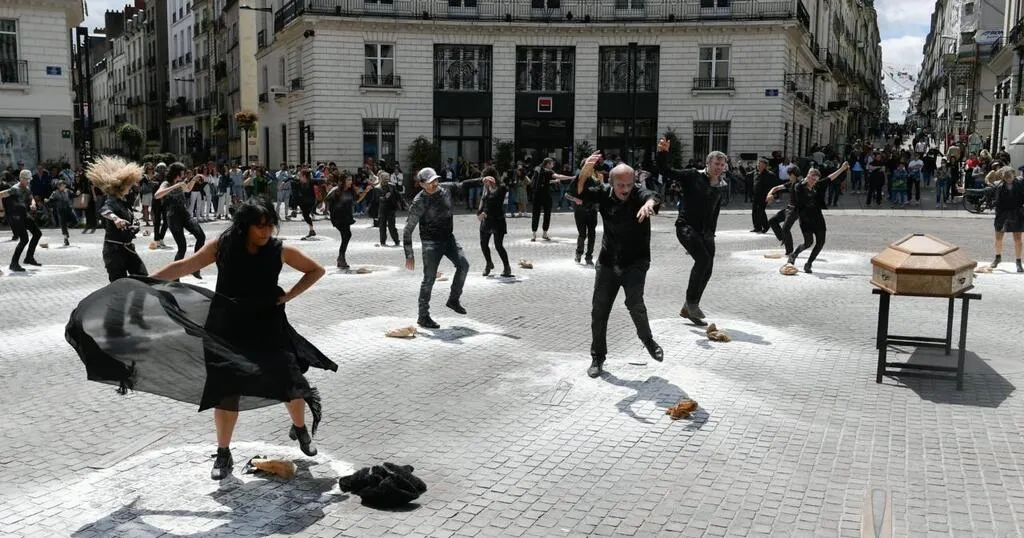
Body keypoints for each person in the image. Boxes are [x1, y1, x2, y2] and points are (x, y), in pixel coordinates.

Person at [573, 152, 662, 378]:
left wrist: (649, 204)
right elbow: (577, 192)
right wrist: (584, 172)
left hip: (636, 261)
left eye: (629, 184)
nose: (625, 189)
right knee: (599, 310)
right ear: (611, 183)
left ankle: (647, 340)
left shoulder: (638, 194)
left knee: (634, 302)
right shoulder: (603, 194)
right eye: (621, 185)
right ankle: (597, 357)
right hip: (608, 261)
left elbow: (652, 195)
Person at [653, 138, 729, 326]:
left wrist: (711, 234)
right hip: (686, 226)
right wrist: (663, 153)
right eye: (715, 164)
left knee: (708, 268)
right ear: (708, 164)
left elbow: (715, 212)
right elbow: (666, 171)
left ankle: (689, 308)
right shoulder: (692, 175)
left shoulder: (722, 185)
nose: (719, 167)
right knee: (703, 260)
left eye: (722, 164)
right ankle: (692, 303)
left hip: (706, 232)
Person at [402, 167, 472, 329]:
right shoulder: (419, 201)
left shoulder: (445, 189)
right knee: (429, 279)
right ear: (421, 184)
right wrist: (409, 254)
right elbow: (408, 228)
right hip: (431, 244)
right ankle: (423, 316)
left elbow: (462, 185)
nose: (434, 184)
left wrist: (481, 181)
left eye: (435, 180)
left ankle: (453, 299)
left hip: (449, 239)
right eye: (430, 182)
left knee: (464, 265)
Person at [775, 163, 850, 273]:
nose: (813, 181)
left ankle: (809, 263)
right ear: (807, 177)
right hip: (805, 219)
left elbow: (830, 177)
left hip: (818, 218)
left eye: (815, 179)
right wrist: (807, 177)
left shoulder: (817, 185)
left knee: (821, 242)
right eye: (811, 178)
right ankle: (794, 255)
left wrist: (842, 169)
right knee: (808, 243)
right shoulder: (799, 187)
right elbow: (800, 186)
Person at [155, 163, 206, 279]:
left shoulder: (181, 182)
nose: (183, 174)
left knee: (201, 236)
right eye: (182, 172)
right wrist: (174, 186)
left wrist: (194, 179)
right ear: (176, 173)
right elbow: (157, 195)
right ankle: (174, 277)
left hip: (184, 214)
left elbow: (187, 189)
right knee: (182, 247)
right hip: (173, 217)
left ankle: (195, 267)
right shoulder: (166, 183)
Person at [473, 170, 513, 277]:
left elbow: (496, 204)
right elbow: (483, 200)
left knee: (498, 245)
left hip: (497, 220)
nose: (484, 182)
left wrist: (485, 213)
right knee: (483, 243)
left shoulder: (502, 188)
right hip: (486, 221)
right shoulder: (486, 188)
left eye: (485, 179)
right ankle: (489, 263)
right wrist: (479, 212)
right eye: (483, 180)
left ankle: (507, 267)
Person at [0, 169, 42, 271]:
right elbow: (0, 194)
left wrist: (33, 203)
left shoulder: (26, 188)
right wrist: (1, 209)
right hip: (14, 216)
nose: (27, 181)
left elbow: (30, 196)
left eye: (29, 179)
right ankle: (13, 263)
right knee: (24, 239)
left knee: (37, 233)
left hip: (23, 214)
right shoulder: (15, 189)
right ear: (21, 179)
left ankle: (29, 257)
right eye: (25, 179)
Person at [530, 158, 576, 241]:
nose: (553, 165)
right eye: (552, 164)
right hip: (545, 195)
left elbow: (543, 181)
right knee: (547, 214)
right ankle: (544, 233)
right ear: (547, 164)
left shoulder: (538, 169)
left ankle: (534, 234)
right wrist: (571, 177)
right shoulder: (549, 171)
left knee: (535, 214)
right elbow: (559, 176)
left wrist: (554, 181)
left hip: (536, 195)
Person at [988, 166, 1024, 272]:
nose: (1009, 179)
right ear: (1003, 177)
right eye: (1006, 177)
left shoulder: (1021, 184)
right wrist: (966, 190)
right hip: (1002, 213)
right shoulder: (998, 185)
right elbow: (984, 191)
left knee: (1018, 239)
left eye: (1010, 176)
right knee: (999, 238)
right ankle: (997, 258)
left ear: (1014, 175)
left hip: (1017, 213)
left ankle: (1018, 262)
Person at [324, 172, 357, 270]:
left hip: (347, 217)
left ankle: (341, 258)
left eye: (351, 179)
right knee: (347, 235)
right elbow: (327, 199)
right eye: (348, 180)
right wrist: (324, 208)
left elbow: (357, 201)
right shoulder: (336, 190)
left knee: (346, 235)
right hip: (338, 217)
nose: (350, 182)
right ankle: (341, 258)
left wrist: (366, 192)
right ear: (343, 181)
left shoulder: (350, 191)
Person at [749, 156, 778, 234]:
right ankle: (757, 227)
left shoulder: (770, 174)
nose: (758, 165)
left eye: (760, 163)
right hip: (755, 196)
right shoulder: (755, 172)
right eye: (758, 163)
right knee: (754, 212)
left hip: (764, 196)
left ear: (765, 165)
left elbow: (774, 186)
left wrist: (772, 196)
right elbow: (747, 175)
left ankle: (766, 226)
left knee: (761, 211)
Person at [375, 171, 402, 247]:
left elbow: (398, 195)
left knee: (392, 227)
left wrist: (403, 203)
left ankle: (397, 241)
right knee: (382, 227)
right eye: (385, 179)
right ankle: (383, 242)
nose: (387, 180)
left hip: (391, 209)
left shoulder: (392, 186)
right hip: (382, 210)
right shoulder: (377, 188)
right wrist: (385, 197)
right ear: (380, 179)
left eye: (387, 178)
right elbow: (377, 200)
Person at [47, 180, 76, 247]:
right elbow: (51, 199)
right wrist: (48, 200)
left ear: (65, 185)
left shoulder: (68, 191)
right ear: (58, 186)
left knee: (75, 220)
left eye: (63, 185)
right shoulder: (55, 192)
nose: (61, 186)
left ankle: (68, 227)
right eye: (60, 185)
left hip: (69, 209)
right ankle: (66, 238)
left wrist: (77, 194)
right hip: (61, 210)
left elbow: (73, 195)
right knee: (63, 225)